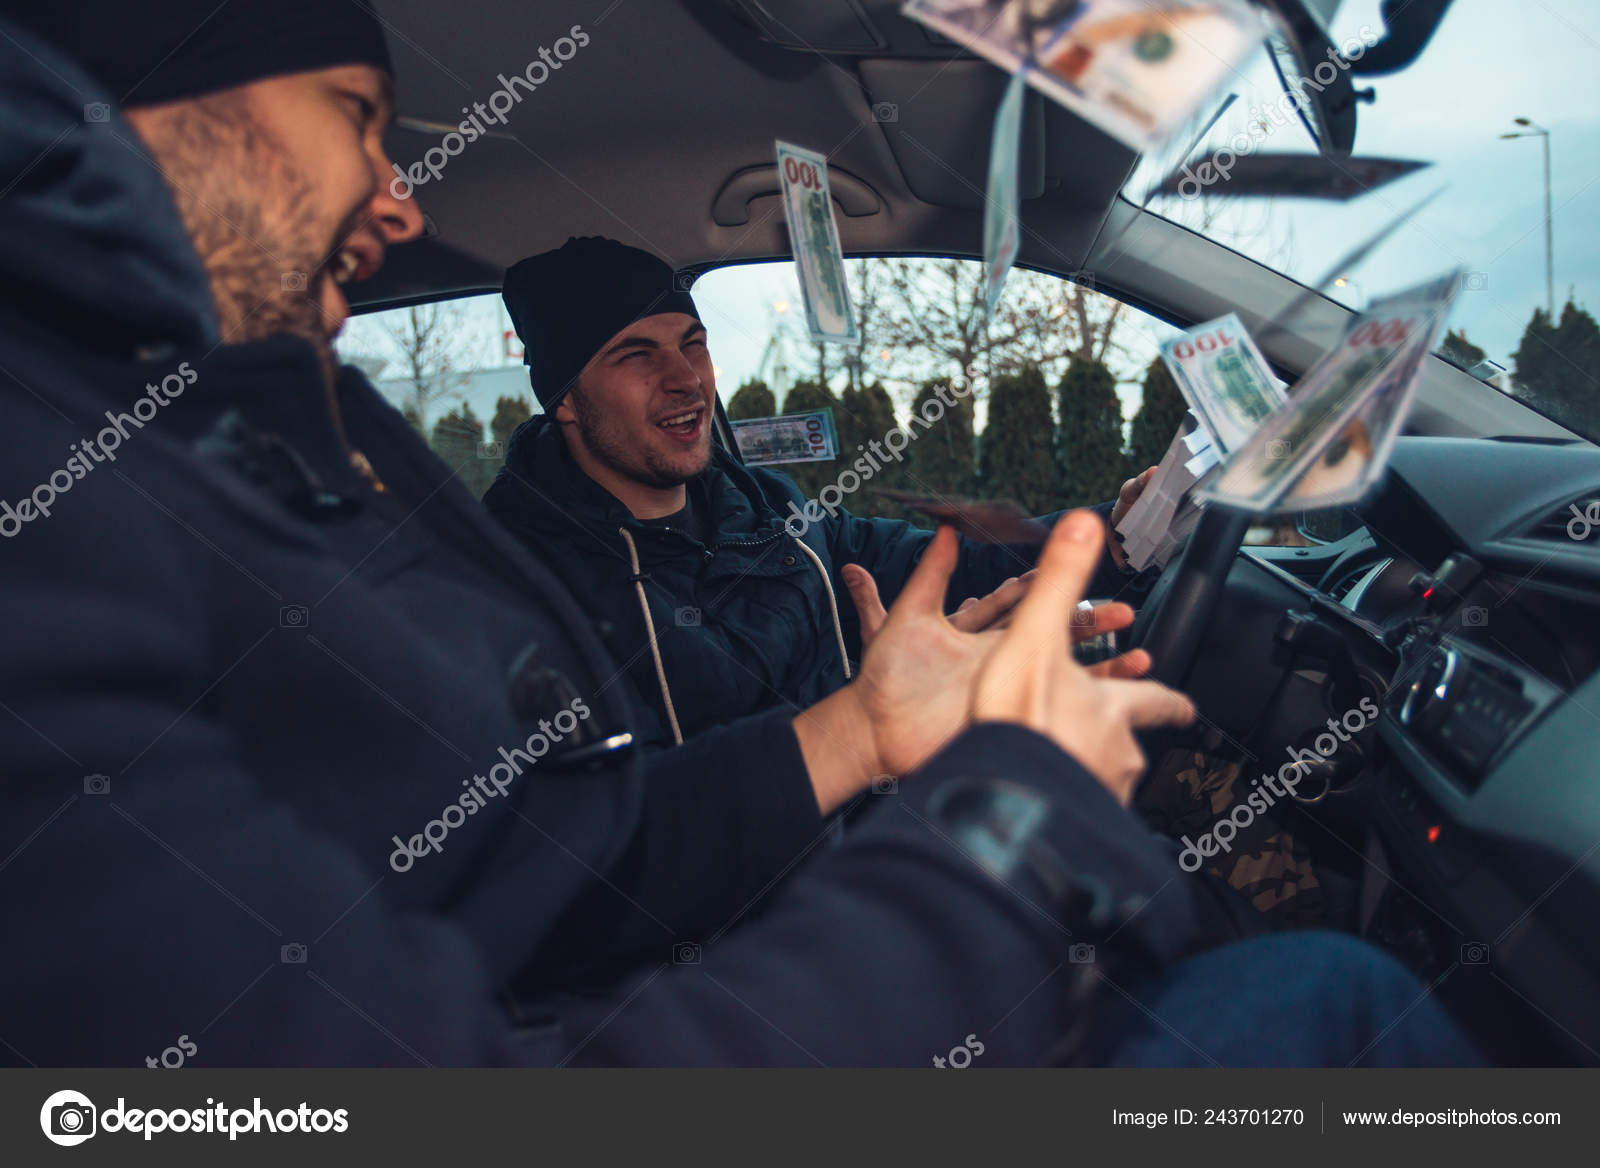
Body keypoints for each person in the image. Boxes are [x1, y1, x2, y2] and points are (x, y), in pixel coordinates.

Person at [0, 1, 1476, 1068]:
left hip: (803, 930)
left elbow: (567, 852)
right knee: (1334, 1004)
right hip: (760, 982)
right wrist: (1005, 833)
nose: (398, 202)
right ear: (564, 399)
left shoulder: (750, 508)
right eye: (355, 119)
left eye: (692, 341)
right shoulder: (108, 501)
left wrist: (878, 716)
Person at [486, 236, 1159, 748]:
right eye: (636, 355)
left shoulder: (773, 511)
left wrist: (1118, 535)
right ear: (566, 401)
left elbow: (948, 567)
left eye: (693, 344)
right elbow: (632, 834)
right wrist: (863, 725)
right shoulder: (523, 584)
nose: (685, 378)